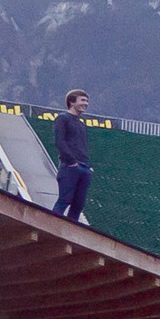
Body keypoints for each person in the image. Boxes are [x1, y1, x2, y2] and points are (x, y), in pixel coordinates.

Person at [52, 89, 93, 222]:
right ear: (72, 101)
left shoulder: (81, 124)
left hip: (84, 168)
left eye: (86, 101)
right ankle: (52, 226)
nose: (85, 103)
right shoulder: (63, 118)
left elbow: (82, 146)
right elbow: (60, 141)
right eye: (82, 100)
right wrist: (71, 162)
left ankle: (70, 232)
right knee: (64, 200)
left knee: (78, 205)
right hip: (69, 166)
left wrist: (89, 167)